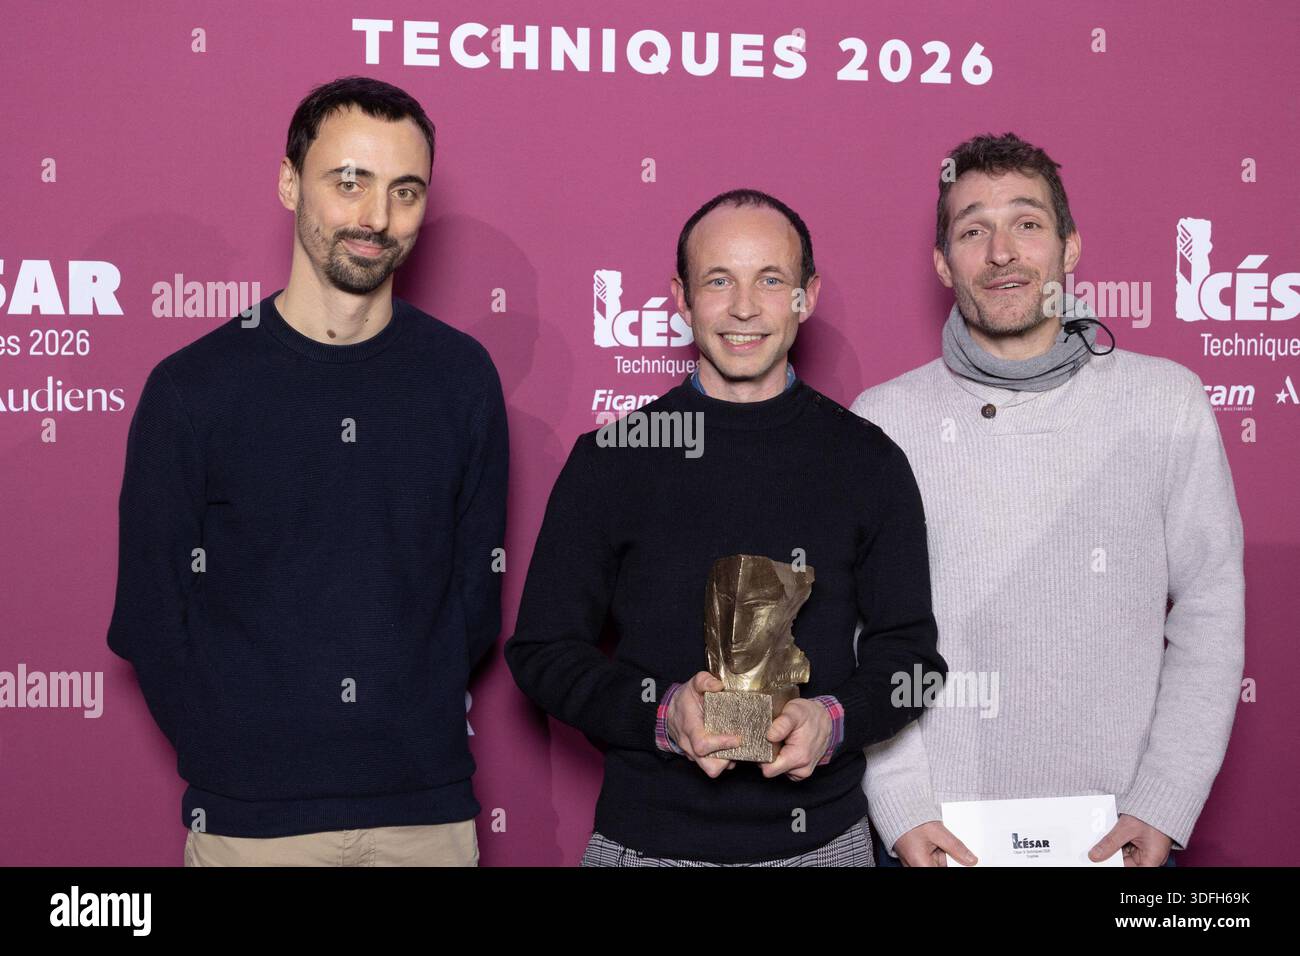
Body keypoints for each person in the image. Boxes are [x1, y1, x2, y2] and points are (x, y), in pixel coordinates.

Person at [106, 76, 508, 866]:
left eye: (405, 190)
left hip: (424, 815)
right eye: (348, 181)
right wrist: (245, 759)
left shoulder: (460, 378)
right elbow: (151, 617)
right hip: (251, 824)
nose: (376, 217)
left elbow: (473, 596)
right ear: (290, 181)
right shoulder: (194, 388)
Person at [505, 188, 946, 866]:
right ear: (680, 299)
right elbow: (541, 652)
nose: (744, 307)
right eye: (719, 280)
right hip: (646, 843)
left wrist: (831, 723)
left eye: (771, 280)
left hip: (823, 844)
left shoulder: (869, 462)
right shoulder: (612, 461)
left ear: (807, 295)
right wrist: (661, 714)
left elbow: (910, 660)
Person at [851, 132, 1245, 868]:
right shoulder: (882, 421)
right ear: (943, 263)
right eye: (973, 230)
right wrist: (902, 809)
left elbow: (1211, 612)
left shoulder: (1166, 402)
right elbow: (860, 634)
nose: (1002, 252)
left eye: (1027, 223)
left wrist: (1163, 799)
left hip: (1119, 839)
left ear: (1068, 248)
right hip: (935, 841)